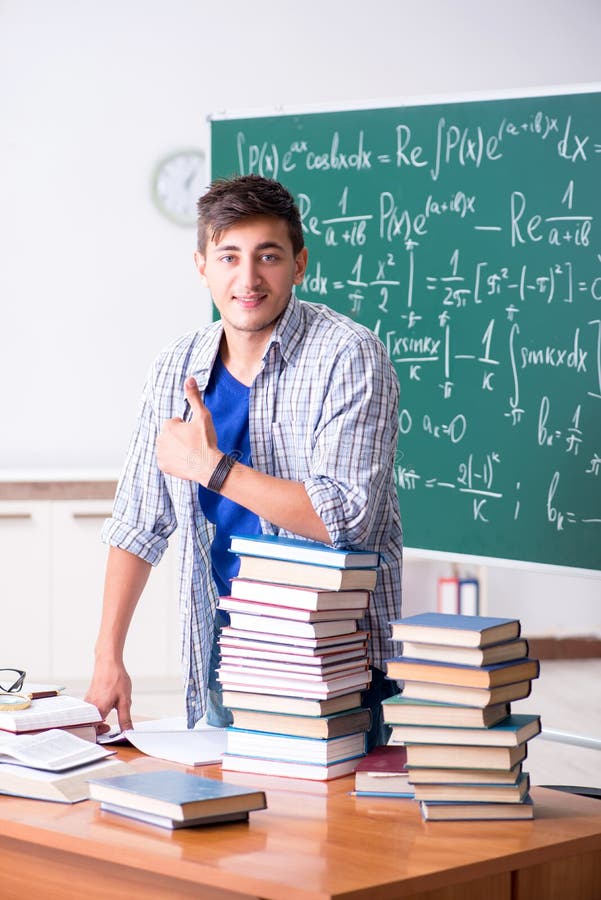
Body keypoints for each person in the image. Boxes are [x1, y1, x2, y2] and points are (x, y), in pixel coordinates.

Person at [85, 174, 403, 748]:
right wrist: (109, 656)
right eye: (228, 256)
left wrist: (213, 467)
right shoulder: (175, 366)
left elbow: (344, 518)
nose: (248, 279)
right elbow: (137, 521)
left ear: (299, 264)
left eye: (268, 256)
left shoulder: (350, 356)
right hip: (224, 642)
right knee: (231, 830)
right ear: (202, 266)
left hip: (328, 651)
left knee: (333, 835)